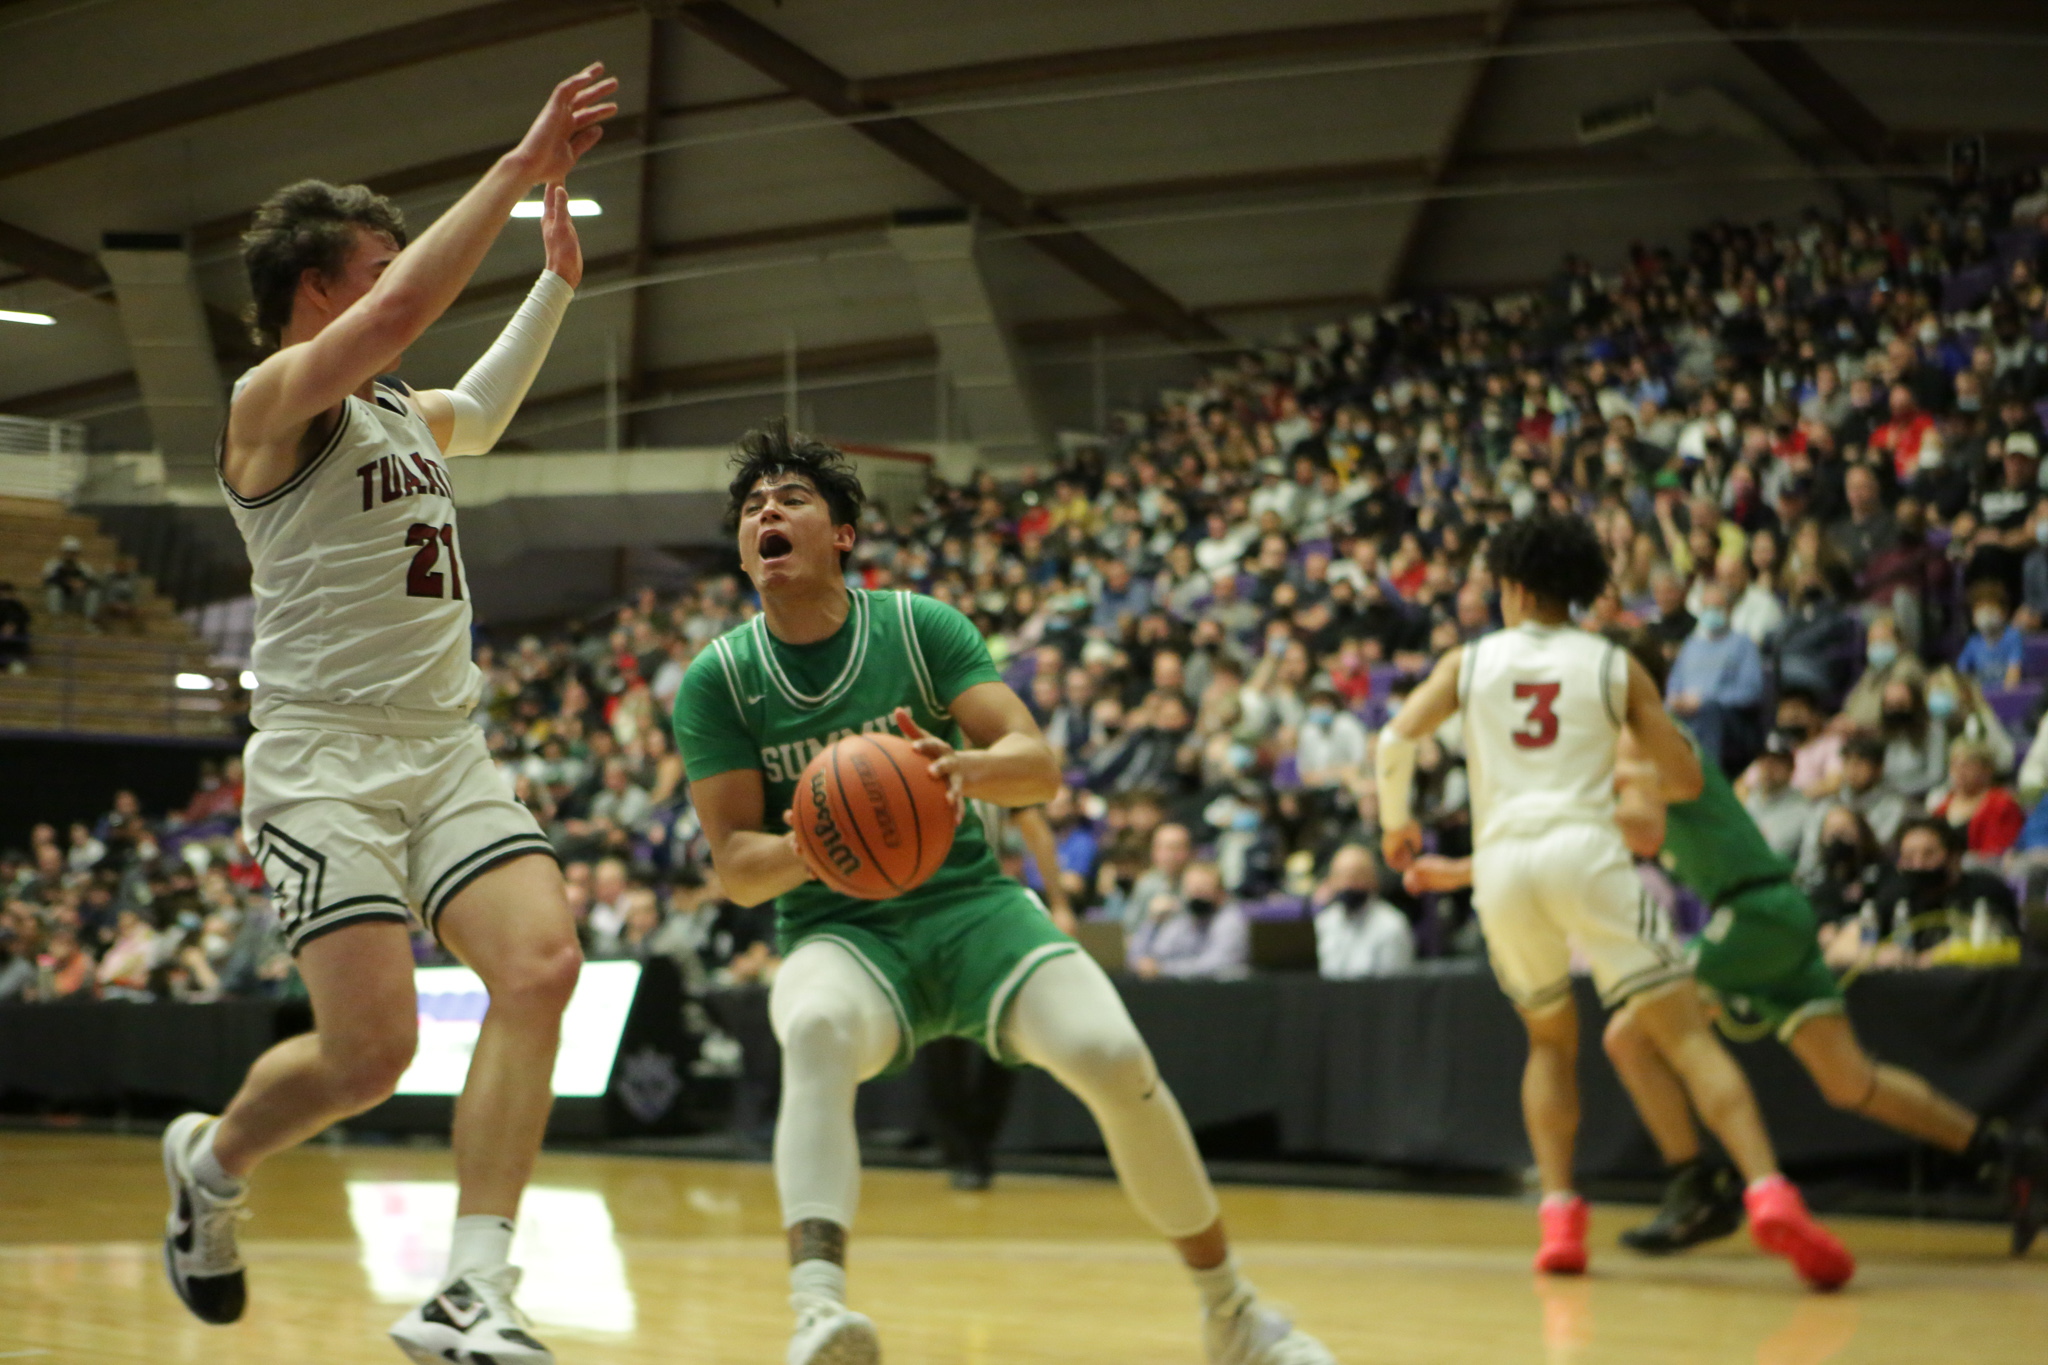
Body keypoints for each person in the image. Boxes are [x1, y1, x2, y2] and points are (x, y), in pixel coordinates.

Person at [673, 427, 1335, 1365]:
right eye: (752, 508)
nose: (766, 513)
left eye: (791, 498)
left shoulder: (919, 628)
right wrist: (814, 842)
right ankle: (818, 1314)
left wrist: (967, 767)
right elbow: (737, 866)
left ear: (845, 533)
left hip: (971, 907)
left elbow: (1041, 770)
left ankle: (1233, 1312)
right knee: (813, 1031)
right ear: (745, 550)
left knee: (1111, 1051)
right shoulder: (720, 680)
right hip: (842, 931)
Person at [157, 66, 618, 1365]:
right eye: (377, 263)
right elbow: (416, 302)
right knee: (370, 1056)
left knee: (543, 969)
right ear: (321, 287)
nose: (400, 280)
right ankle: (213, 1158)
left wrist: (556, 283)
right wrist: (523, 165)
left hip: (444, 748)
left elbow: (482, 405)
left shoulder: (397, 410)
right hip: (323, 762)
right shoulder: (271, 407)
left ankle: (472, 1288)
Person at [1410, 647, 2047, 1258]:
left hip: (1753, 912)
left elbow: (1632, 826)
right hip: (1770, 912)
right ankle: (2006, 1154)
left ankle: (1697, 1186)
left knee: (1630, 1038)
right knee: (1852, 1082)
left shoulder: (1646, 738)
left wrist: (1543, 823)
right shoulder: (1634, 743)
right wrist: (1487, 858)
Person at [1379, 511, 1851, 1286]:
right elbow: (1689, 780)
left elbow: (1395, 741)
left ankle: (1560, 1216)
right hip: (1587, 853)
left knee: (1549, 1041)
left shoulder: (1469, 662)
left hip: (1502, 866)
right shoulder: (1609, 663)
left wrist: (1398, 828)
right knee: (1687, 1038)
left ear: (1516, 585)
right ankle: (1768, 1190)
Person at [1664, 582, 1765, 774]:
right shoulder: (1691, 645)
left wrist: (1705, 700)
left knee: (1707, 711)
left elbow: (1751, 692)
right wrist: (1676, 700)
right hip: (1686, 717)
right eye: (1707, 607)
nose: (1711, 612)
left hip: (1726, 722)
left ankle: (1708, 778)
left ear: (1729, 609)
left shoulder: (1743, 644)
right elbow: (1674, 685)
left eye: (1717, 607)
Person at [1127, 861, 1250, 981]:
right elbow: (1147, 955)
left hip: (1222, 995)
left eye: (1203, 889)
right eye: (1192, 889)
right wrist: (1153, 922)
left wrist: (1162, 969)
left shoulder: (1230, 920)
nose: (1196, 895)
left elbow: (1216, 964)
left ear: (1220, 893)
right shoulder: (1183, 918)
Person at [1311, 844, 1414, 979]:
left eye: (1355, 877)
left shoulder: (1392, 926)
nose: (1347, 884)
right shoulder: (1323, 924)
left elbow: (1395, 989)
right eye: (1341, 876)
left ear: (1373, 879)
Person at [1931, 739, 2025, 858]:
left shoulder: (2002, 803)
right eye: (1954, 764)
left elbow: (1998, 851)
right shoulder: (1942, 805)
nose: (1959, 771)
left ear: (1987, 770)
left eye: (1967, 766)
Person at [41, 535, 100, 624]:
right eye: (68, 552)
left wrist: (82, 584)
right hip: (61, 599)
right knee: (54, 590)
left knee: (94, 593)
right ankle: (57, 621)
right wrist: (68, 582)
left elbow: (94, 582)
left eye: (73, 553)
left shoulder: (84, 567)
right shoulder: (52, 565)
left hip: (78, 599)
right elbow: (48, 581)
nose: (70, 555)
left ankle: (89, 621)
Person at [0, 580, 29, 673]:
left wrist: (12, 625)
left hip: (15, 640)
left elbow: (26, 618)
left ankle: (12, 662)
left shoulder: (17, 606)